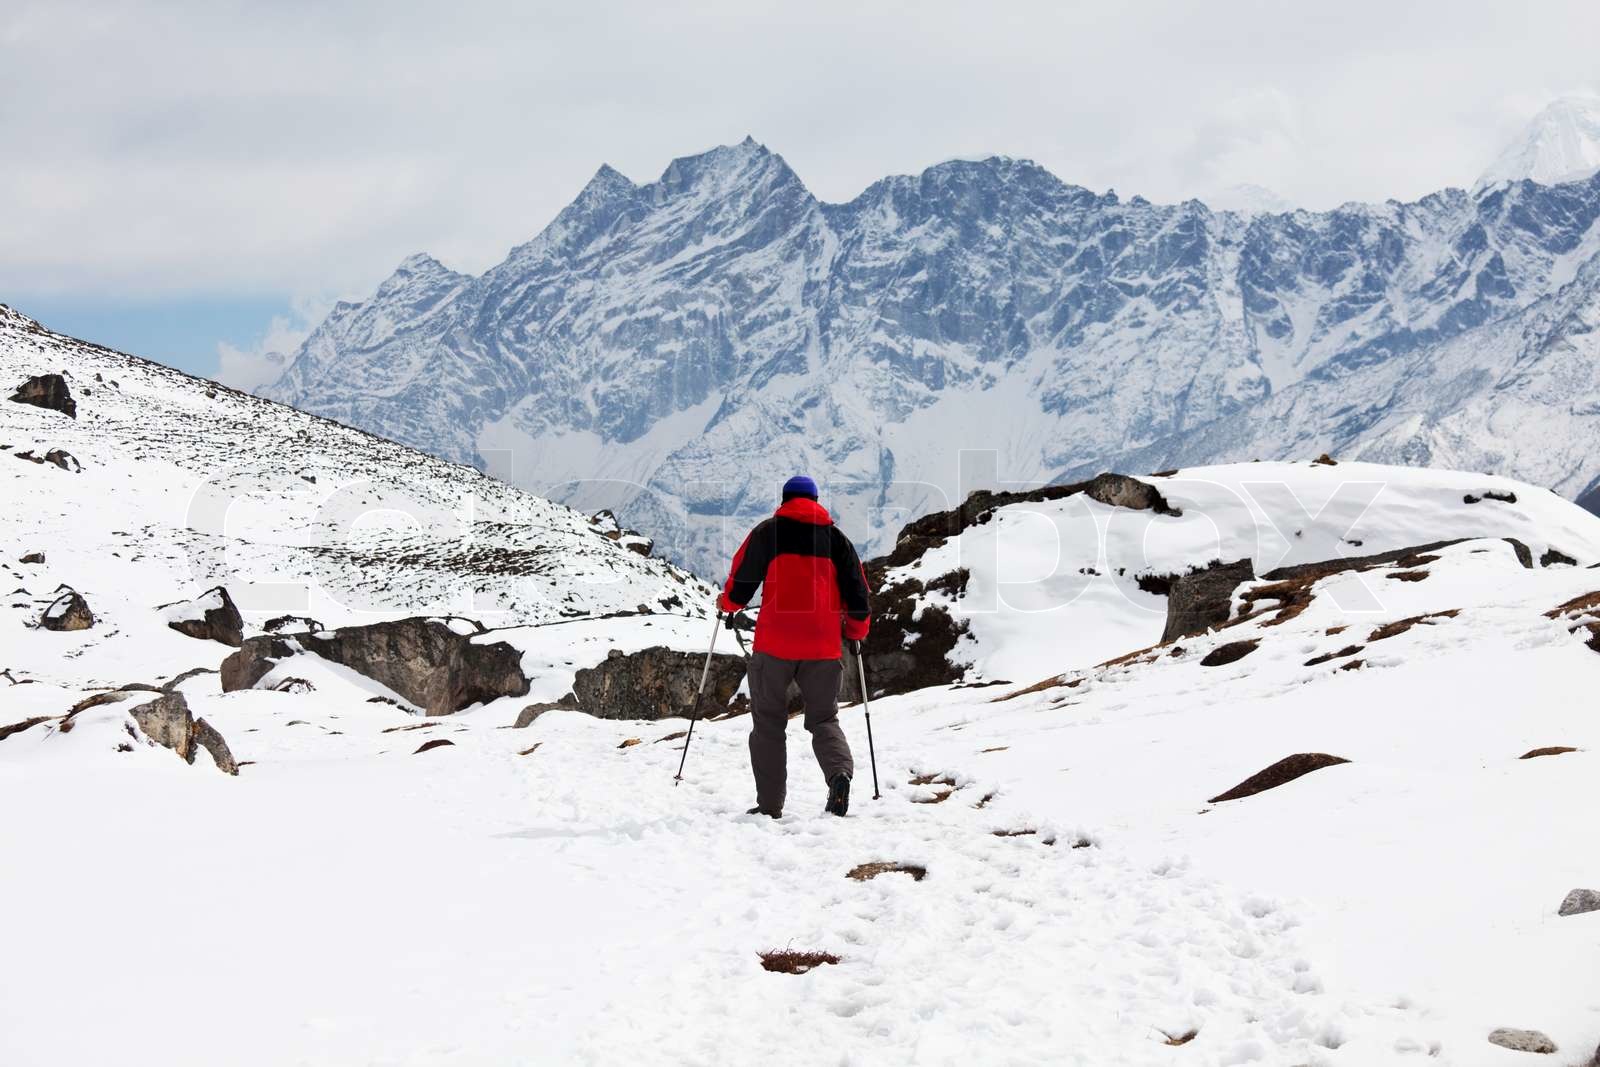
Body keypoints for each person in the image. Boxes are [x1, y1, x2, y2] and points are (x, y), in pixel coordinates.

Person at [718, 474, 871, 818]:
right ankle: (839, 775)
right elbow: (858, 592)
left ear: (785, 500)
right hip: (823, 646)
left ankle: (770, 805)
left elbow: (741, 586)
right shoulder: (837, 540)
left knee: (768, 724)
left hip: (775, 644)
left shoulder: (767, 533)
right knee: (824, 719)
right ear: (816, 501)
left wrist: (726, 604)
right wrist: (857, 630)